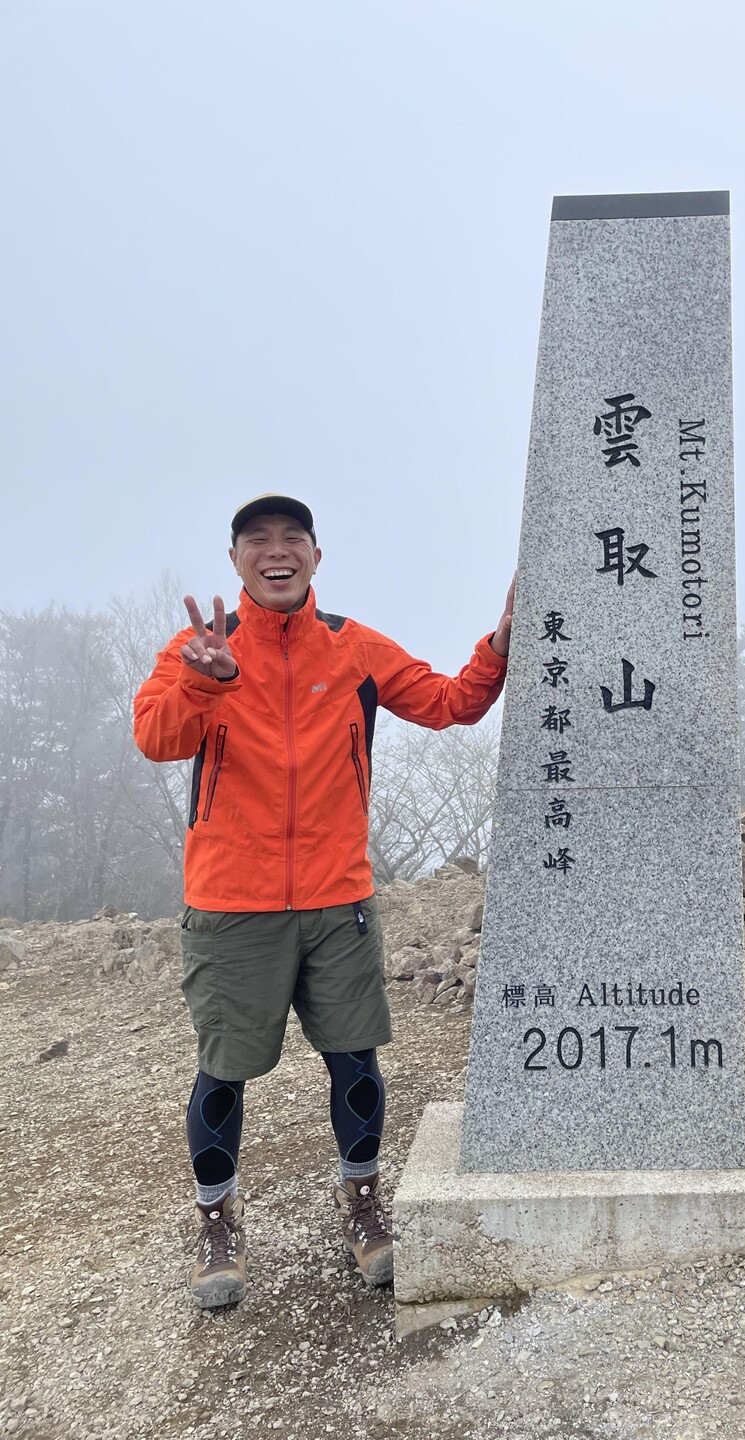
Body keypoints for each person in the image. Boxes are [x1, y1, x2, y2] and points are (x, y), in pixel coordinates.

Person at [134, 494, 513, 1308]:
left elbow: (452, 703)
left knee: (354, 1057)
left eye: (291, 538)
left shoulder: (354, 646)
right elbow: (157, 739)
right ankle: (215, 1222)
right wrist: (203, 685)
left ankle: (364, 1202)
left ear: (315, 554)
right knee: (225, 1071)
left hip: (338, 897)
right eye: (257, 540)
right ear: (235, 559)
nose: (276, 551)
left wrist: (502, 645)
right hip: (232, 905)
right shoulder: (199, 649)